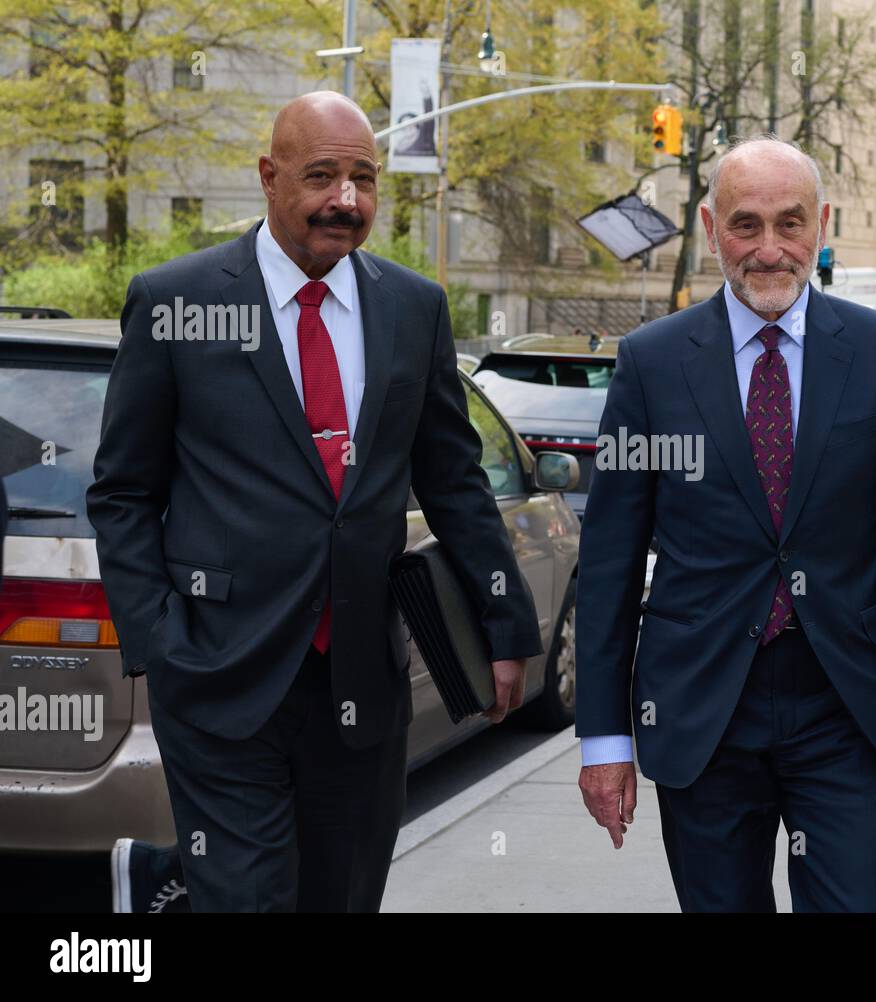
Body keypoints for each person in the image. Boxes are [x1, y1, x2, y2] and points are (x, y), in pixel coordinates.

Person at [87, 92, 542, 912]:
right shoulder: (176, 300)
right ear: (269, 177)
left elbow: (454, 480)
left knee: (342, 896)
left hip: (363, 677)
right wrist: (158, 639)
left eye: (363, 179)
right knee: (250, 898)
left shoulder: (413, 307)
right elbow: (122, 490)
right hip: (221, 673)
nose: (346, 200)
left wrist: (505, 624)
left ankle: (154, 889)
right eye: (322, 176)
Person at [575, 136, 876, 912]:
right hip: (698, 712)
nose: (768, 250)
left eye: (789, 224)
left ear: (820, 226)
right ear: (709, 225)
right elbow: (610, 561)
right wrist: (605, 739)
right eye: (745, 225)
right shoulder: (652, 363)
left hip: (847, 706)